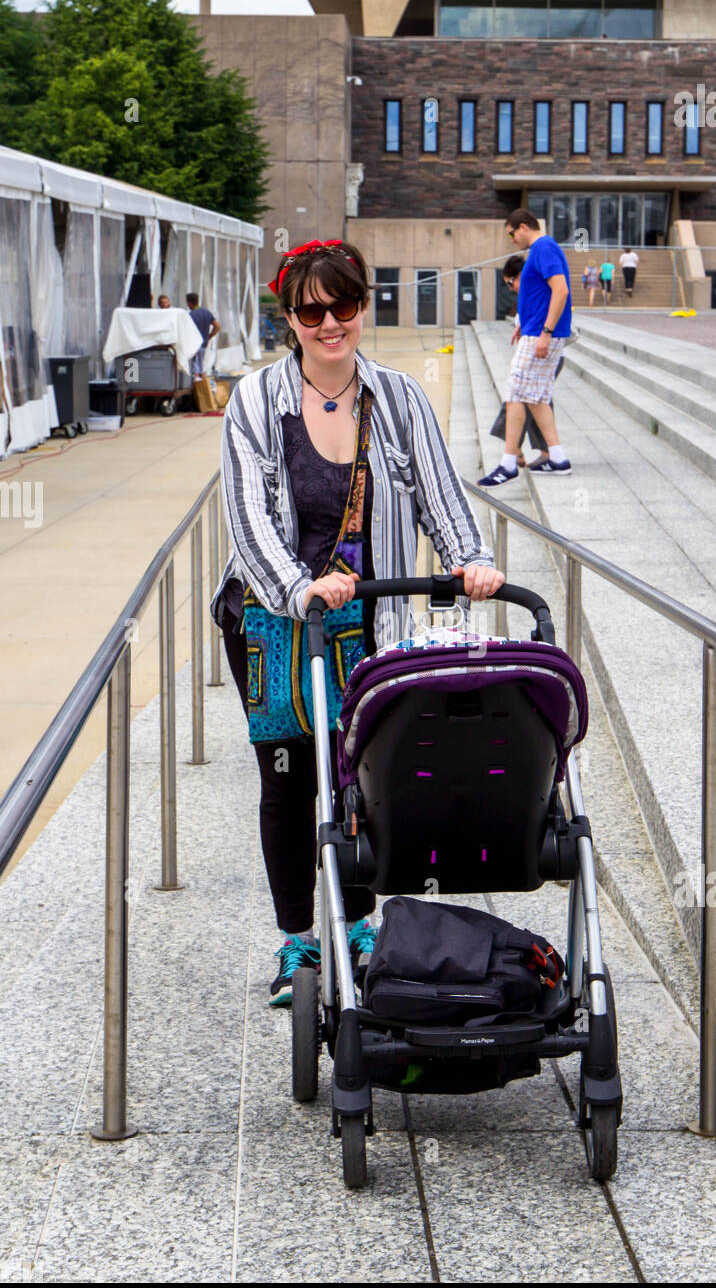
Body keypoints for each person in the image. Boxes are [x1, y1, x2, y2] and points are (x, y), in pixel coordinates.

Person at [209, 238, 503, 1006]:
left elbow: (439, 489)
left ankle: (362, 925)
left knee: (368, 777)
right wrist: (298, 588)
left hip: (371, 628)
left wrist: (470, 560)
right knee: (289, 779)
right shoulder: (256, 401)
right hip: (277, 626)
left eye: (345, 305)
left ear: (363, 305)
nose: (331, 323)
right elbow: (244, 515)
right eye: (313, 310)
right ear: (291, 319)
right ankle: (299, 943)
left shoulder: (397, 397)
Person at [478, 208, 572, 486]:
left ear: (522, 227)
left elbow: (561, 289)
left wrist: (545, 332)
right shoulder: (544, 249)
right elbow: (546, 292)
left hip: (540, 336)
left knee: (515, 393)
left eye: (511, 234)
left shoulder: (543, 248)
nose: (511, 240)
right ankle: (558, 458)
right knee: (536, 397)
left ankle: (509, 463)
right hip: (536, 332)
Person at [490, 256, 563, 464]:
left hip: (544, 351)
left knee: (524, 397)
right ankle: (546, 452)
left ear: (521, 276)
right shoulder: (529, 295)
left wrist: (544, 334)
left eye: (510, 282)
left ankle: (516, 453)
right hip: (542, 350)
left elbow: (550, 314)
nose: (510, 288)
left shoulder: (539, 292)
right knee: (534, 398)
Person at [186, 292, 220, 379]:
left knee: (196, 369)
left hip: (194, 346)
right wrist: (209, 336)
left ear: (189, 303)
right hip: (204, 344)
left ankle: (198, 388)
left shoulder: (191, 315)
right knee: (201, 366)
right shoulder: (206, 312)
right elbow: (217, 326)